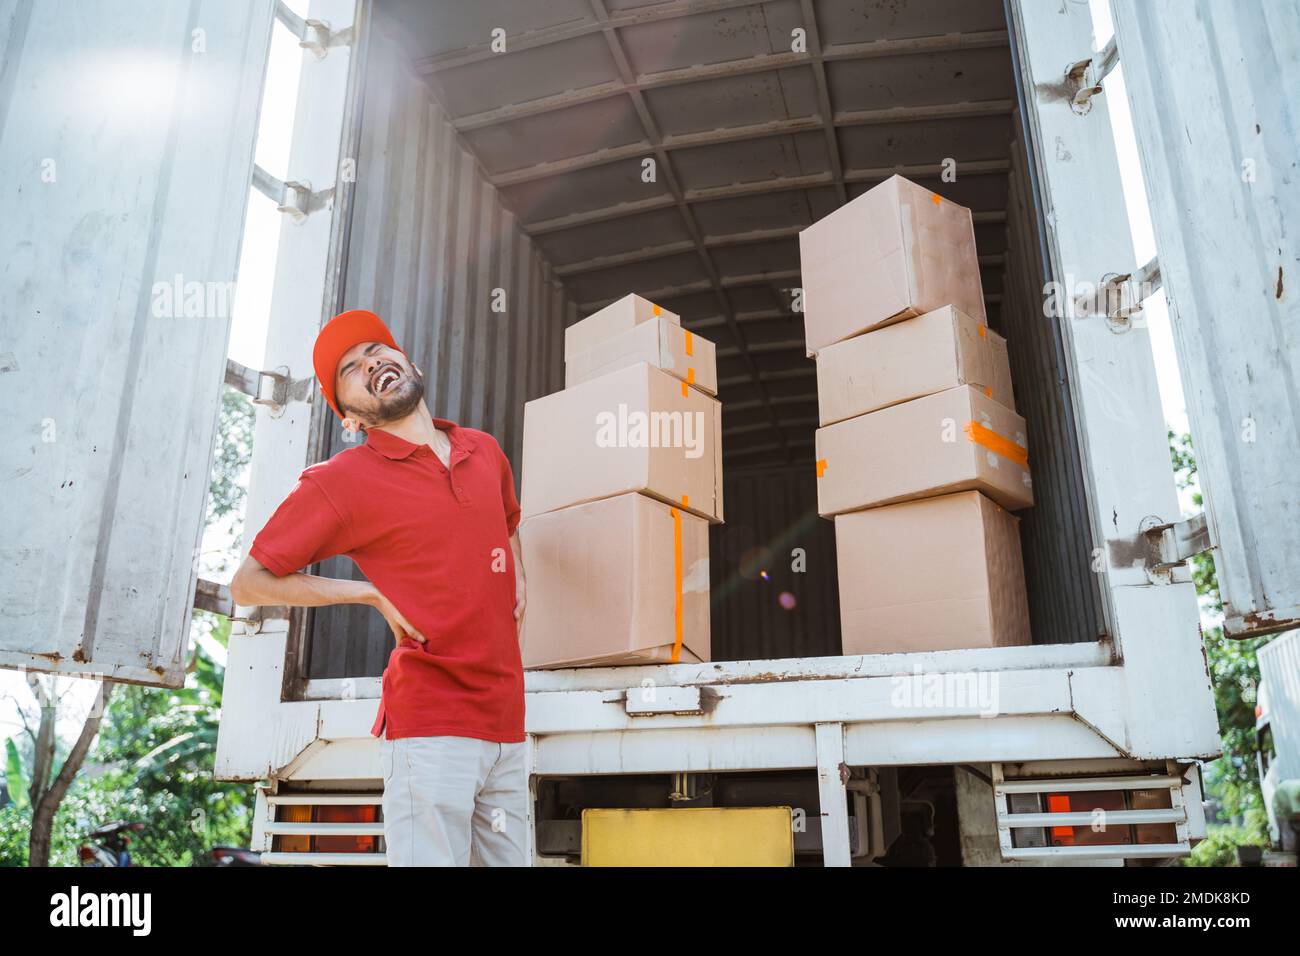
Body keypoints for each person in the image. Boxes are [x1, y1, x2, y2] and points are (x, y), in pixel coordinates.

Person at [229, 308, 528, 866]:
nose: (371, 363)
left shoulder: (482, 450)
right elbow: (249, 583)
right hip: (431, 727)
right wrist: (366, 594)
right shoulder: (342, 481)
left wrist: (519, 577)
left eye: (376, 351)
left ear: (407, 361)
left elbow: (508, 520)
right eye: (350, 369)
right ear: (350, 418)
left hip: (507, 723)